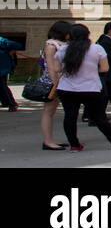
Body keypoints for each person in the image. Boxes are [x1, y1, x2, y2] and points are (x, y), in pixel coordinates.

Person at [50, 24, 111, 151]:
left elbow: (56, 68)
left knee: (70, 116)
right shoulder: (96, 49)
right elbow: (105, 68)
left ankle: (75, 145)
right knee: (99, 117)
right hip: (91, 87)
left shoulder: (63, 49)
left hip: (67, 88)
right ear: (87, 34)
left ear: (70, 36)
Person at [40, 20, 73, 150]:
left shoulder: (61, 44)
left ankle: (50, 139)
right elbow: (51, 67)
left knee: (51, 111)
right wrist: (55, 85)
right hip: (53, 82)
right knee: (48, 111)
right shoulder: (51, 45)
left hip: (60, 81)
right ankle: (48, 141)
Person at [0, 33, 20, 111]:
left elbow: (16, 45)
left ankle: (12, 104)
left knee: (2, 86)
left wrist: (11, 51)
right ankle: (6, 102)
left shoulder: (1, 41)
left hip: (2, 67)